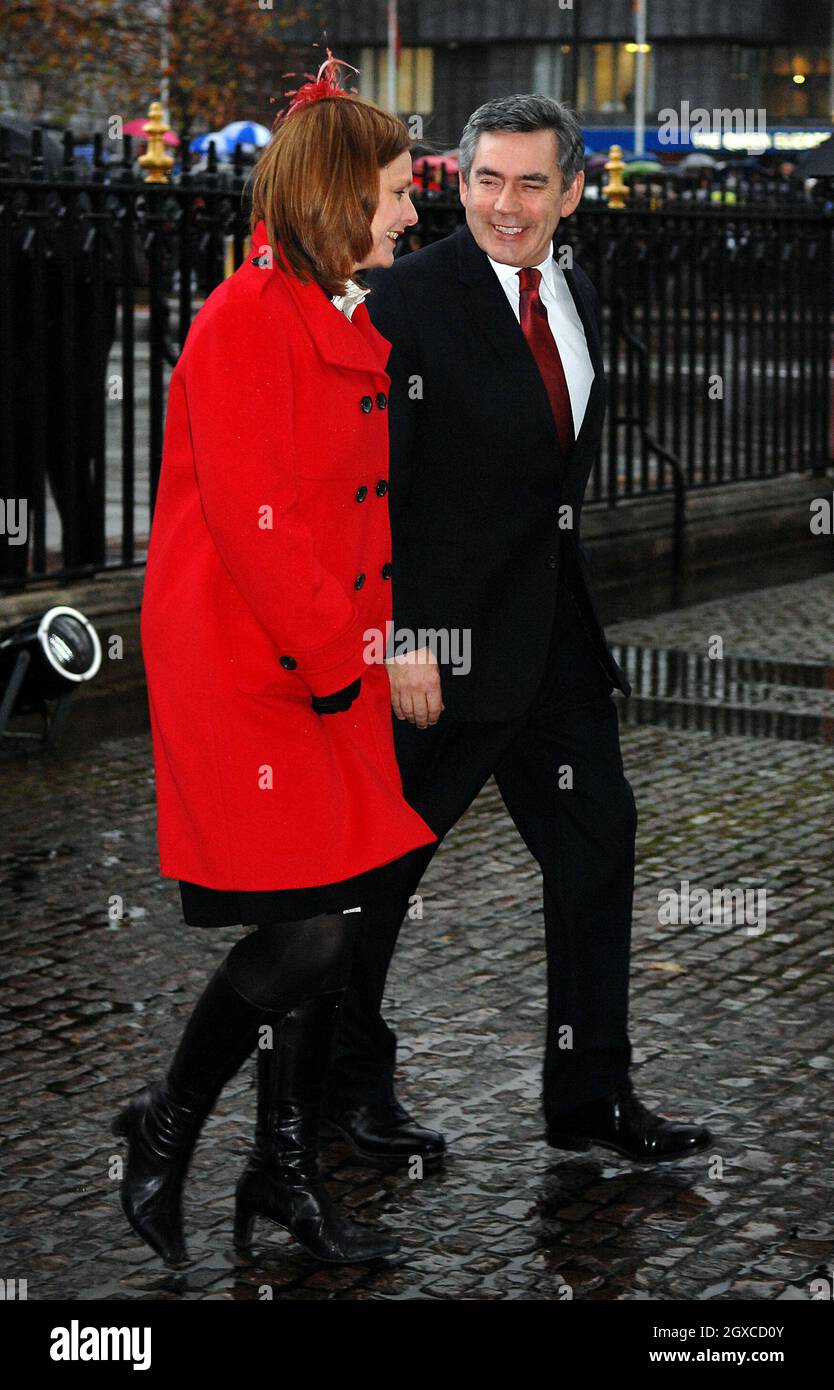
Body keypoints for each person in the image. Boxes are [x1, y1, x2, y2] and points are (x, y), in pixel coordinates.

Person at [322, 95, 714, 1167]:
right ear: (459, 182)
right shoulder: (402, 299)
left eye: (532, 183)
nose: (506, 204)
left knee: (597, 850)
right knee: (379, 878)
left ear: (572, 192)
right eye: (486, 179)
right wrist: (402, 636)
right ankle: (345, 1092)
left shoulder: (577, 290)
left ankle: (590, 1096)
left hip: (554, 644)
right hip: (437, 655)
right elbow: (371, 486)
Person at [111, 59, 438, 1267]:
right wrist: (344, 659)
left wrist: (369, 650)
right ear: (338, 195)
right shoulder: (249, 316)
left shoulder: (328, 306)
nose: (411, 211)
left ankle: (282, 1174)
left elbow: (349, 514)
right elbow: (261, 528)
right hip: (253, 665)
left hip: (320, 657)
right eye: (397, 192)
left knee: (333, 922)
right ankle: (165, 1124)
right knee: (305, 935)